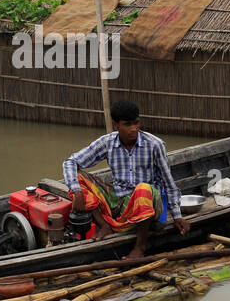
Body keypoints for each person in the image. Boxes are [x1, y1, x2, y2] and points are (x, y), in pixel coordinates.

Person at [62, 100, 190, 260]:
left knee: (143, 188)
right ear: (116, 125)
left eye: (136, 123)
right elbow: (70, 162)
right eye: (127, 124)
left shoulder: (154, 145)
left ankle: (140, 247)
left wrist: (177, 216)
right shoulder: (107, 142)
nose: (134, 129)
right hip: (120, 202)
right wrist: (77, 191)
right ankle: (104, 225)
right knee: (79, 178)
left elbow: (168, 182)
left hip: (150, 203)